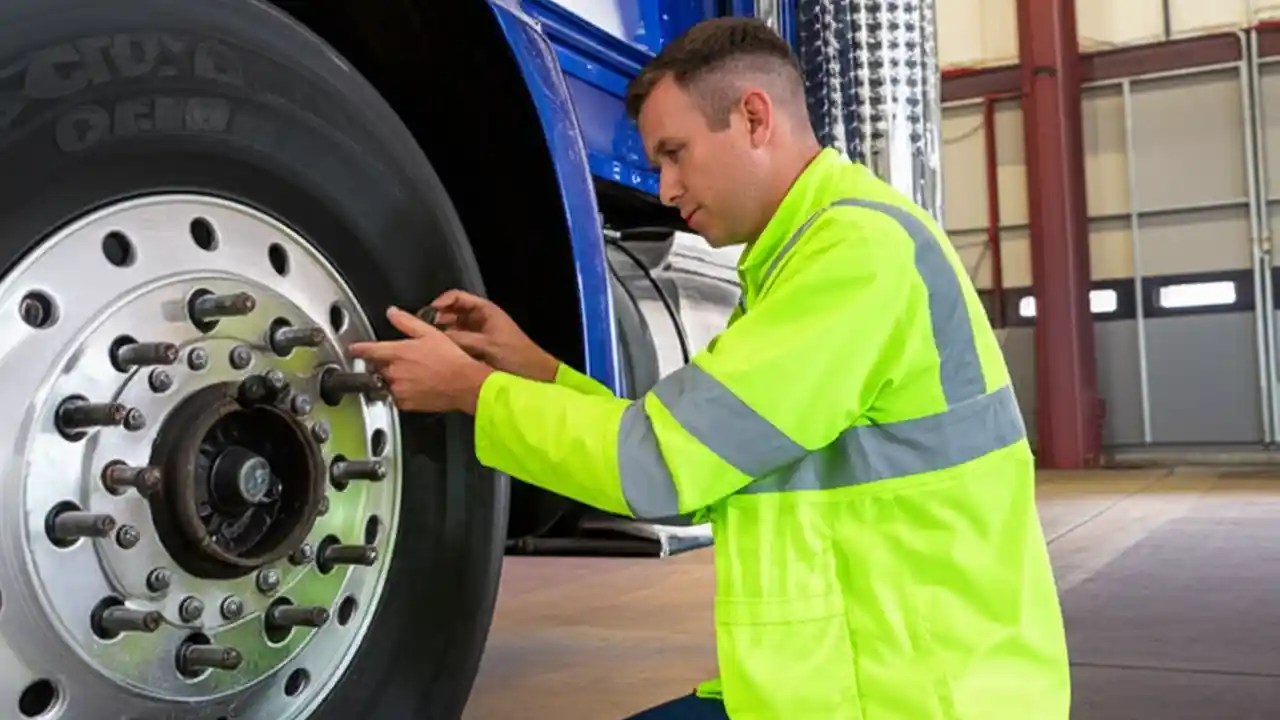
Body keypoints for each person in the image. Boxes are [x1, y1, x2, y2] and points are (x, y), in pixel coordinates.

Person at [349, 16, 1071, 720]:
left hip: (917, 697)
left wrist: (475, 394)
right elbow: (704, 469)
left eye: (675, 153)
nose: (663, 188)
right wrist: (535, 371)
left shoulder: (854, 259)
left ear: (754, 118)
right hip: (854, 680)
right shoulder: (804, 260)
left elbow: (659, 471)